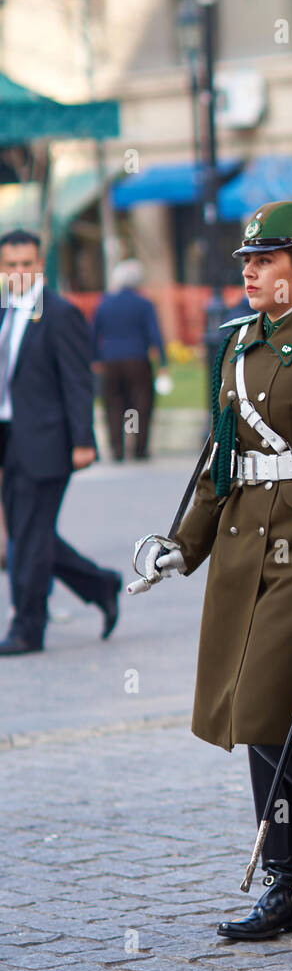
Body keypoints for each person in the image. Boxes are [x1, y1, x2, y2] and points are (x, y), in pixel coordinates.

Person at [136, 202, 292, 940]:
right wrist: (184, 545)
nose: (249, 270)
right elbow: (224, 460)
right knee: (258, 718)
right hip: (246, 548)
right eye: (247, 259)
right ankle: (291, 884)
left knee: (266, 710)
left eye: (267, 260)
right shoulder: (238, 345)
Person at [0, 229, 121, 655]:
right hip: (9, 440)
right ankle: (101, 584)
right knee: (26, 533)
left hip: (48, 443)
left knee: (28, 538)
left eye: (26, 264)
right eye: (11, 265)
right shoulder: (4, 312)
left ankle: (27, 628)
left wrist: (83, 441)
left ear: (40, 264)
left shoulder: (60, 313)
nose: (19, 272)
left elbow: (77, 381)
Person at [92, 259, 167, 461]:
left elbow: (94, 333)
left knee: (114, 404)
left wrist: (95, 359)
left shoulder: (104, 303)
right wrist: (163, 363)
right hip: (137, 359)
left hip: (110, 361)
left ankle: (118, 448)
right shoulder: (143, 304)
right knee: (138, 405)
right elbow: (155, 334)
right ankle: (137, 447)